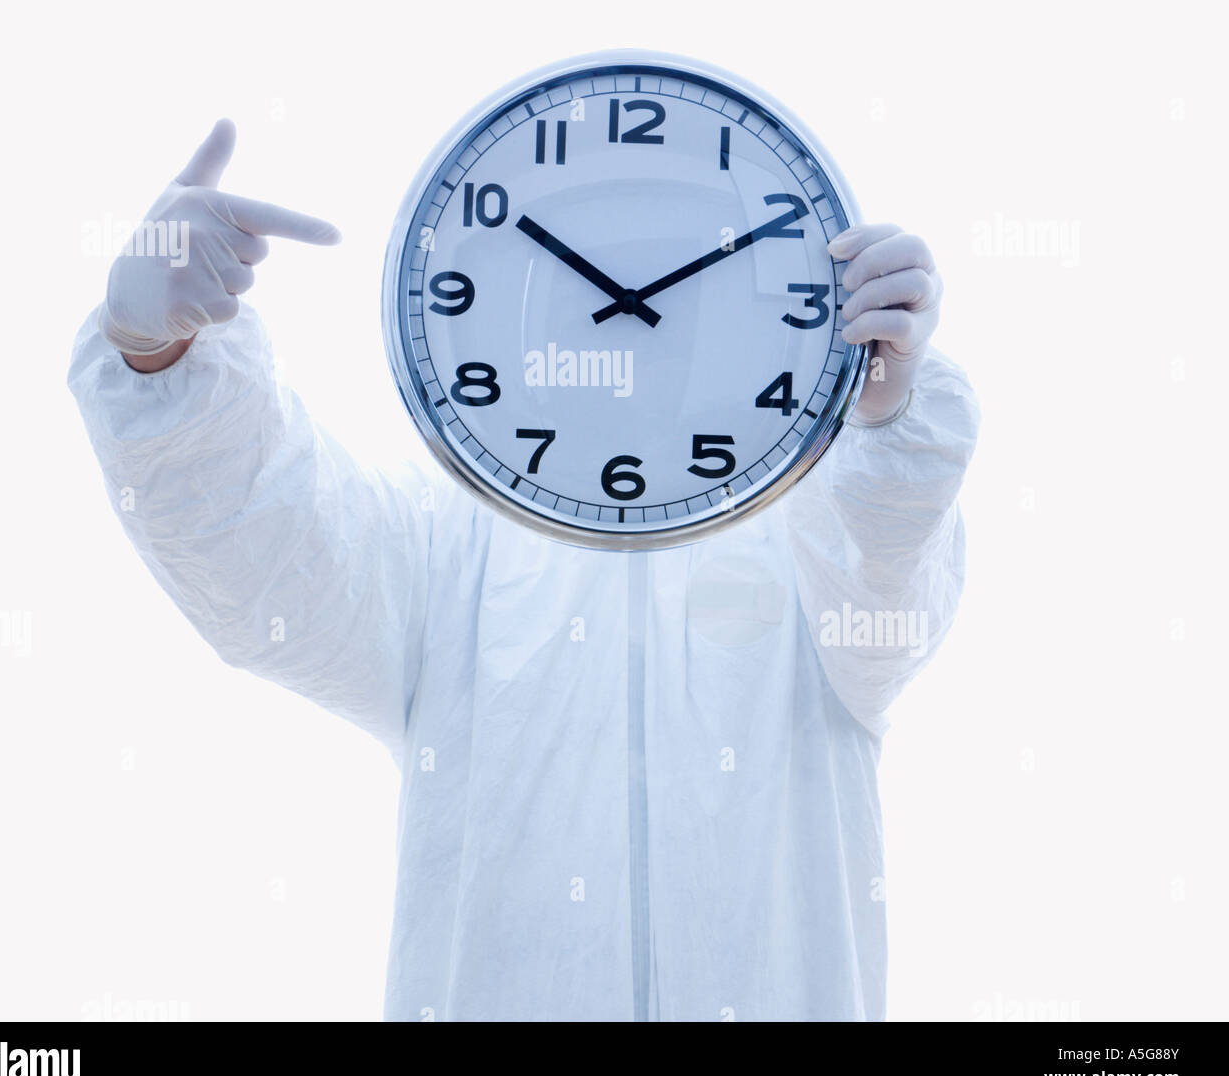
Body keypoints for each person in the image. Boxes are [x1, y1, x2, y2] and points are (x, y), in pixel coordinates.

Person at [69, 118, 979, 1022]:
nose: (633, 313)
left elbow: (887, 584)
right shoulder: (447, 554)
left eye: (685, 276)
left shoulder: (808, 546)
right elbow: (268, 559)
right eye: (573, 272)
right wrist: (159, 357)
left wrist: (882, 424)